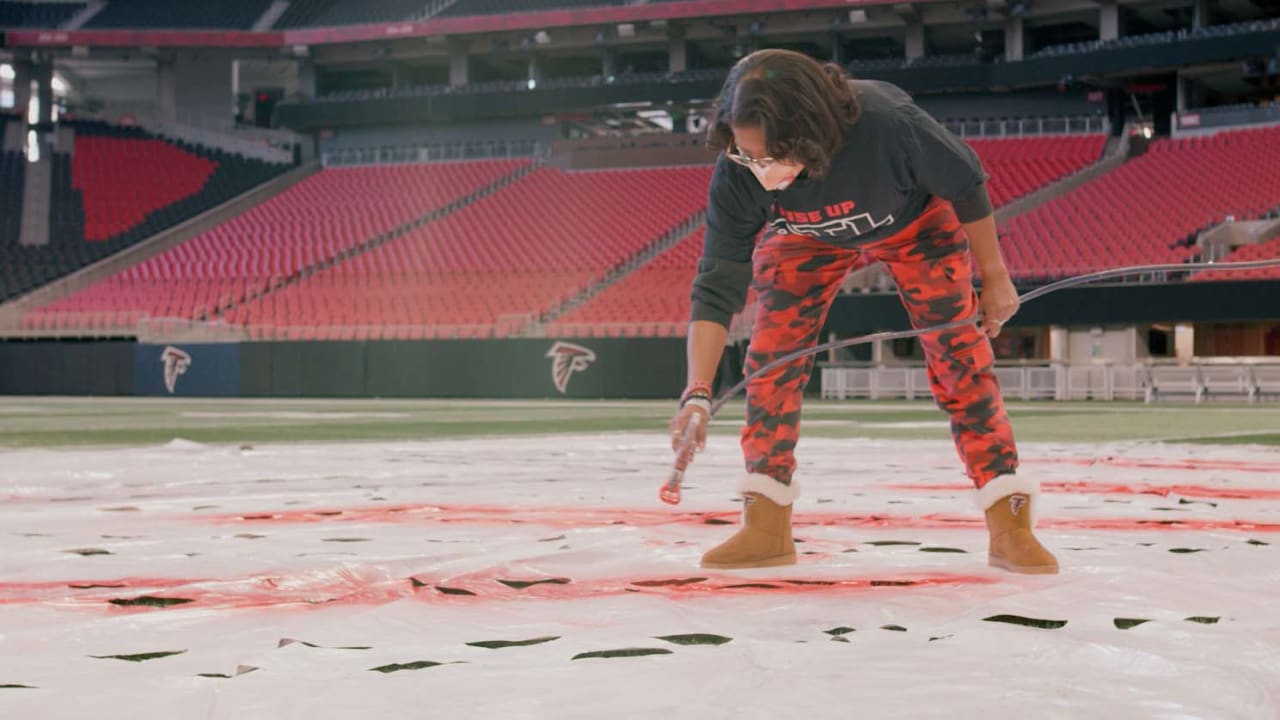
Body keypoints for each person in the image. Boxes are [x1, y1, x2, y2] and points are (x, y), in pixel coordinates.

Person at [669, 49, 1058, 575]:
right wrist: (697, 393)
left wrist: (995, 278)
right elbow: (717, 284)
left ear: (808, 133)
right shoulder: (740, 172)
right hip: (805, 237)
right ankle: (766, 523)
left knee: (960, 355)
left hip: (914, 221)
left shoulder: (887, 123)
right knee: (771, 359)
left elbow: (966, 183)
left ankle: (1008, 522)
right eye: (748, 157)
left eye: (770, 158)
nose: (760, 174)